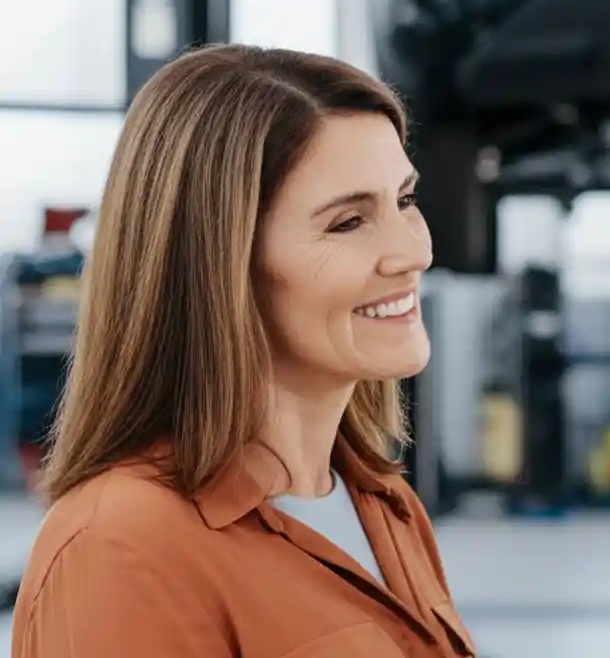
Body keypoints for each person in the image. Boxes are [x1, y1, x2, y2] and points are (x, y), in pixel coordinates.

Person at [11, 44, 477, 657]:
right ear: (219, 266)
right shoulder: (121, 549)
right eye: (348, 222)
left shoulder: (385, 504)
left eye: (405, 201)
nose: (413, 252)